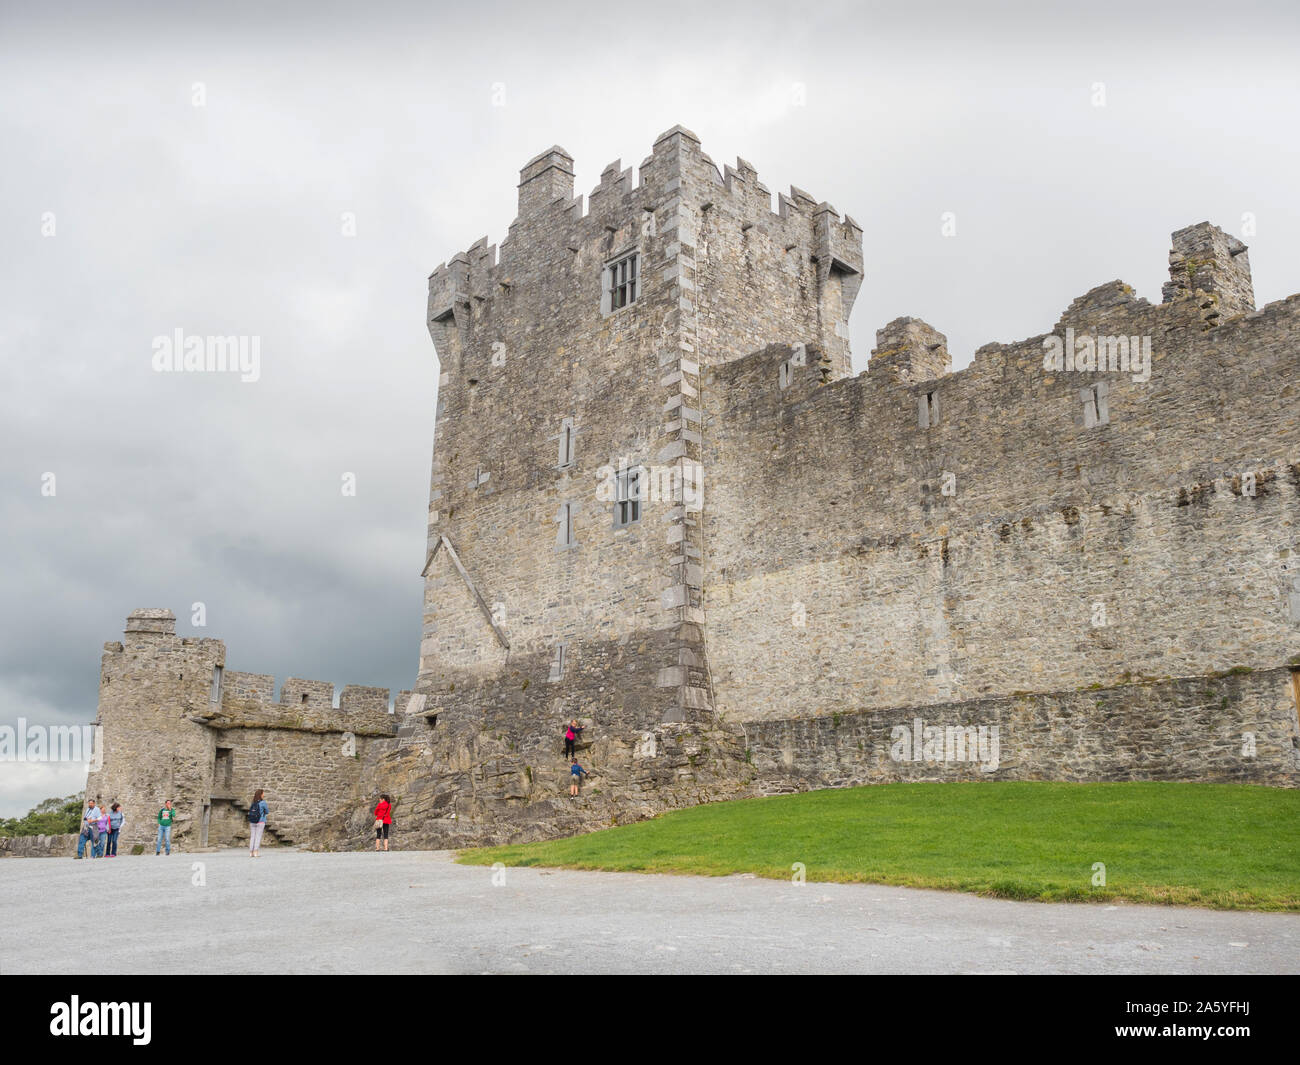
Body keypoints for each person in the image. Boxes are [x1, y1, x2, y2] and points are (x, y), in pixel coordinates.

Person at [247, 789, 268, 857]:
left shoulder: (253, 802)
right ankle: (256, 852)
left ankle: (251, 853)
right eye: (263, 794)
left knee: (252, 836)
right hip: (260, 821)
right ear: (261, 795)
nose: (264, 795)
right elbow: (267, 811)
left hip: (252, 821)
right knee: (258, 837)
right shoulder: (263, 803)